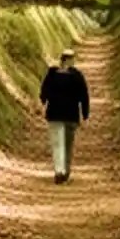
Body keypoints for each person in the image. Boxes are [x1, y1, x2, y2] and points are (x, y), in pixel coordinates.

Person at [39, 49, 90, 184]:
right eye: (72, 59)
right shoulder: (77, 76)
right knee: (67, 145)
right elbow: (84, 96)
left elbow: (44, 92)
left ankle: (59, 171)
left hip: (54, 114)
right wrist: (85, 114)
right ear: (69, 60)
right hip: (70, 116)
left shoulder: (52, 75)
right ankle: (65, 171)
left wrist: (43, 102)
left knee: (57, 144)